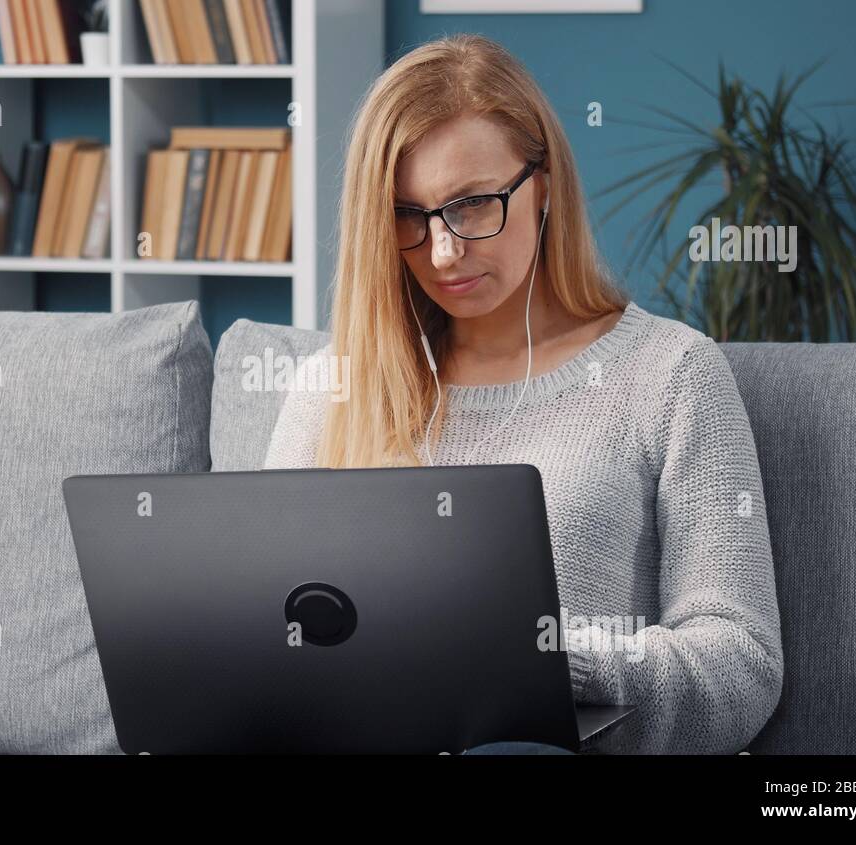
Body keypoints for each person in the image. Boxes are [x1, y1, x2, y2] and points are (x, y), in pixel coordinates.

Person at [263, 34, 784, 755]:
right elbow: (264, 630)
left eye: (471, 204)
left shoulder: (671, 374)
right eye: (408, 215)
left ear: (542, 185)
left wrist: (553, 657)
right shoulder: (334, 384)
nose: (442, 251)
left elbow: (742, 662)